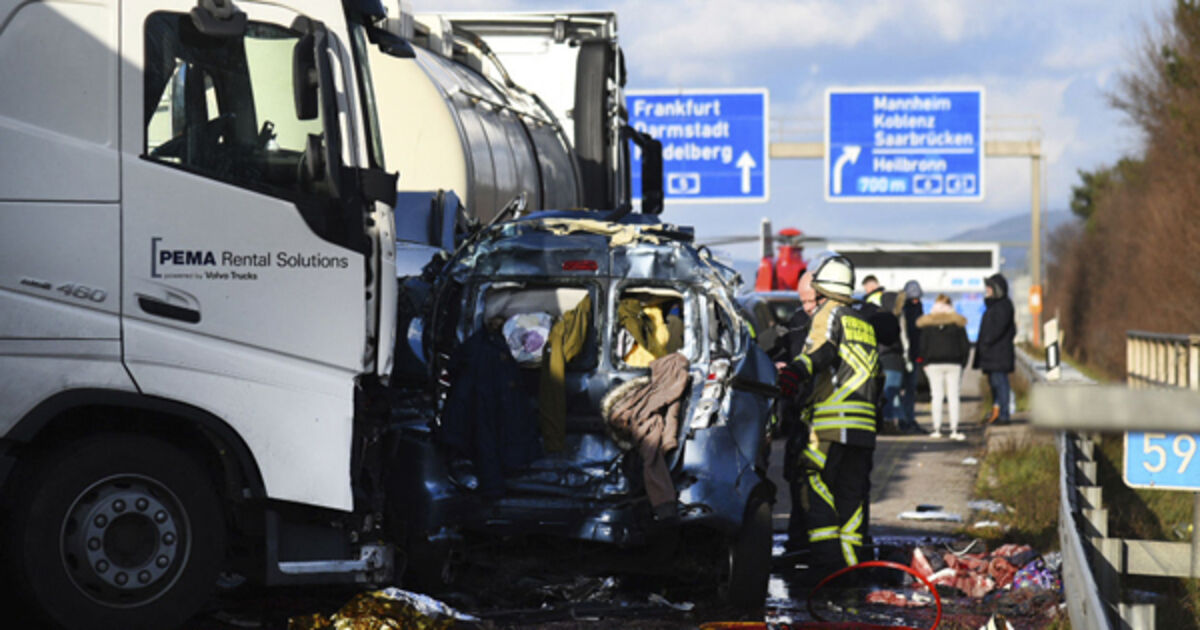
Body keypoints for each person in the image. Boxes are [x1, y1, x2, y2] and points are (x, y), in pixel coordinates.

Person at [778, 255, 879, 579]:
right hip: (863, 428)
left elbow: (821, 350)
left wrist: (795, 371)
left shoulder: (829, 313)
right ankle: (850, 570)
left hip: (831, 423)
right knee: (852, 498)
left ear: (822, 291)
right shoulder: (863, 323)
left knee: (813, 483)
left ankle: (826, 568)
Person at [917, 295, 970, 440]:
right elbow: (965, 346)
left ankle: (937, 428)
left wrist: (924, 363)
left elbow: (922, 347)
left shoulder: (927, 324)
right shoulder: (958, 323)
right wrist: (963, 363)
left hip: (933, 365)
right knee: (953, 396)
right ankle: (954, 429)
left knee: (936, 396)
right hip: (954, 364)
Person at [857, 277, 902, 434]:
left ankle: (887, 422)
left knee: (885, 393)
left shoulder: (869, 305)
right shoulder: (890, 310)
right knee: (891, 393)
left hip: (878, 354)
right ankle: (891, 422)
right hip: (890, 356)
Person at [974, 273, 1017, 425]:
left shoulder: (1002, 306)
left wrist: (985, 342)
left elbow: (996, 330)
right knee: (995, 385)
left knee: (1000, 384)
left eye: (989, 287)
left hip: (998, 355)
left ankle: (1004, 415)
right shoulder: (994, 306)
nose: (987, 290)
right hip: (993, 355)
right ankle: (997, 412)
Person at [896, 280, 924, 434]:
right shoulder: (905, 311)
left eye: (917, 298)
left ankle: (908, 419)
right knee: (903, 390)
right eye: (913, 298)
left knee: (910, 390)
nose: (916, 301)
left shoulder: (917, 309)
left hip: (912, 355)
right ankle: (903, 419)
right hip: (903, 355)